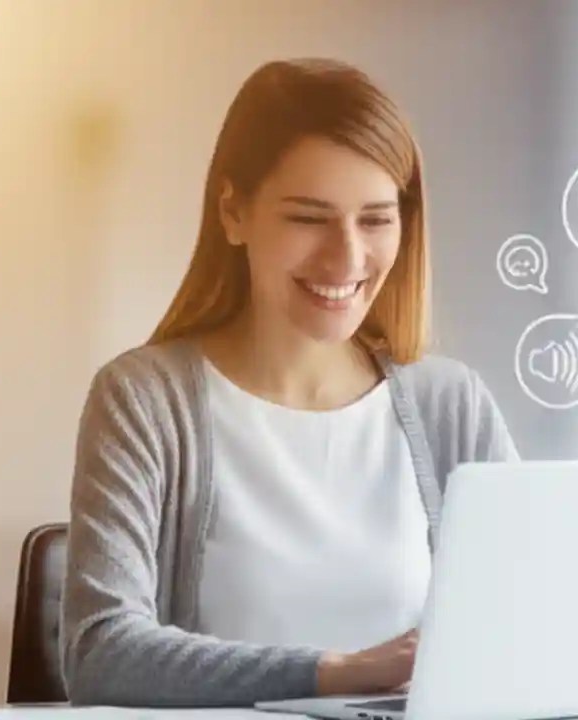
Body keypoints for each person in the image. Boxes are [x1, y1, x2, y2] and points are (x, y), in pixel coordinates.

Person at [59, 57, 518, 708]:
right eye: (309, 217)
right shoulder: (145, 400)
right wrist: (342, 671)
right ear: (234, 212)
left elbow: (529, 624)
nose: (348, 258)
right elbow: (100, 655)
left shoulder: (451, 404)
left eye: (376, 219)